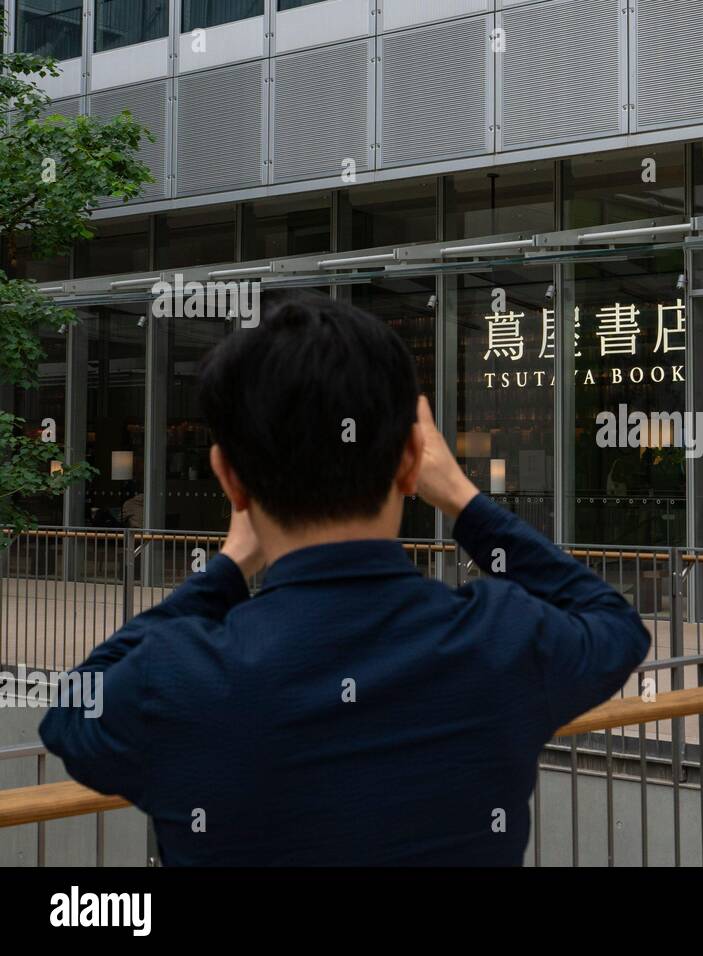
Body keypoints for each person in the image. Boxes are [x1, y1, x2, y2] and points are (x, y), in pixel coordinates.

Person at [39, 292, 650, 866]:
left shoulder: (173, 677)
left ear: (229, 478)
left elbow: (69, 710)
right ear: (411, 461)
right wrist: (461, 498)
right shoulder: (501, 639)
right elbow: (614, 624)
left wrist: (226, 565)